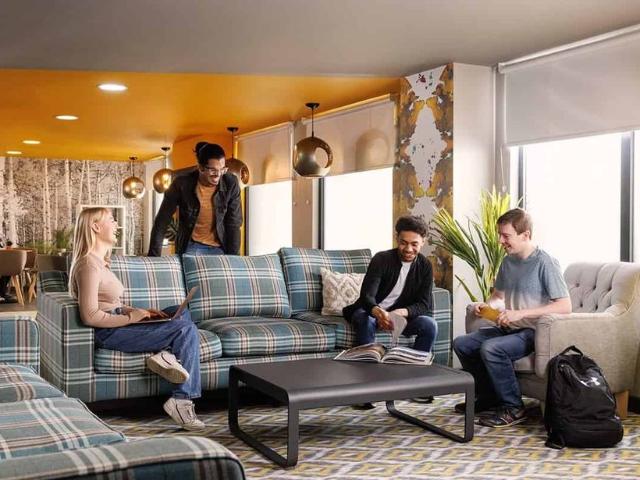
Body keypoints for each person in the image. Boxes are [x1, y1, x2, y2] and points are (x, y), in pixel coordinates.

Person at [69, 207, 204, 430]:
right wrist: (131, 318)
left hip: (119, 322)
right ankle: (181, 401)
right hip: (110, 332)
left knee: (179, 312)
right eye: (111, 220)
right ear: (95, 226)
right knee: (186, 329)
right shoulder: (88, 265)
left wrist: (139, 311)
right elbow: (90, 316)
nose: (116, 225)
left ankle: (166, 356)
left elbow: (110, 303)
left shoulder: (100, 262)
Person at [453, 208, 571, 428]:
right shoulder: (508, 262)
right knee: (462, 344)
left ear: (525, 235)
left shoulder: (545, 262)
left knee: (492, 348)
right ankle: (488, 397)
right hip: (510, 328)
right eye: (500, 235)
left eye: (506, 236)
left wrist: (520, 313)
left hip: (534, 332)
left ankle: (514, 407)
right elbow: (498, 297)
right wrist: (486, 306)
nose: (500, 241)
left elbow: (564, 306)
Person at [148, 142, 242, 256]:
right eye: (213, 170)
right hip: (192, 246)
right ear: (200, 168)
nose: (218, 175)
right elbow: (162, 220)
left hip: (220, 247)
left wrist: (233, 258)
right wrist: (154, 257)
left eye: (222, 170)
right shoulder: (181, 184)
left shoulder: (231, 183)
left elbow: (234, 223)